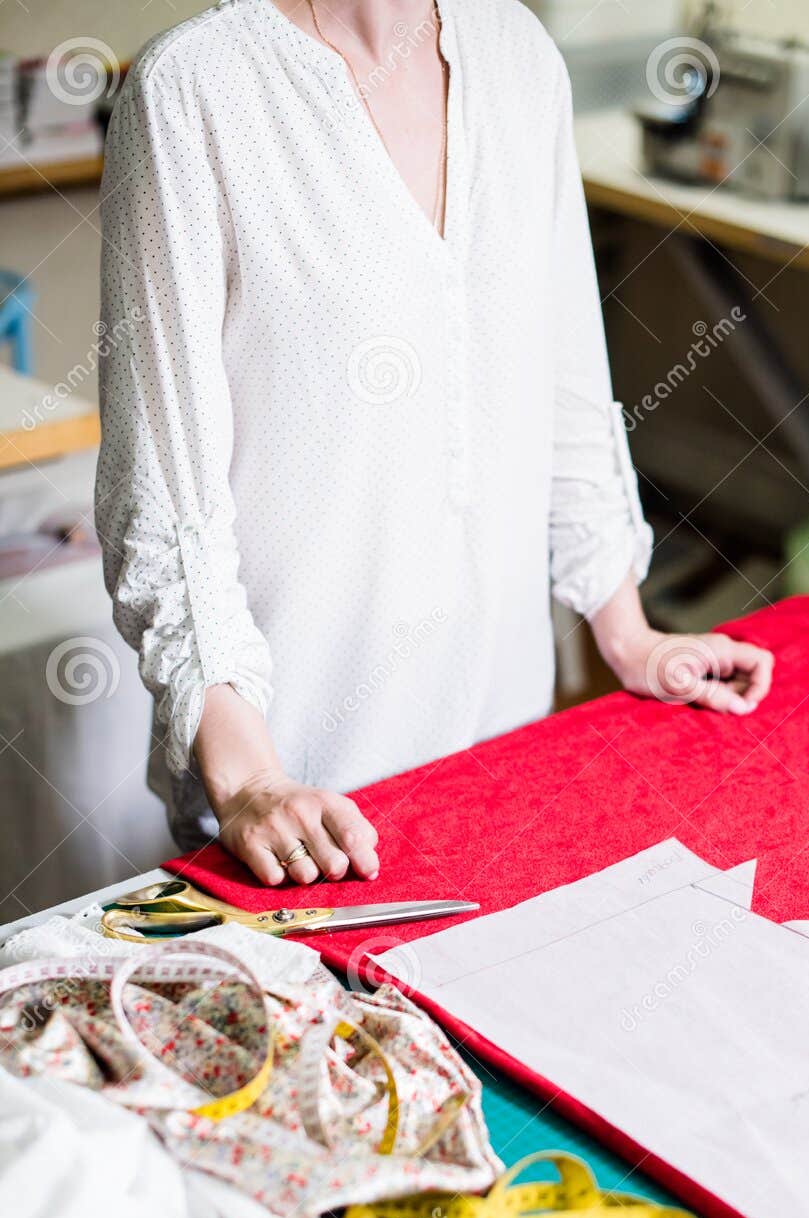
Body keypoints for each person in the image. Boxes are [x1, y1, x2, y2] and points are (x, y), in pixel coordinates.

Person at [97, 0, 774, 889]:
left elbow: (563, 371)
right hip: (298, 794)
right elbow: (164, 486)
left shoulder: (519, 56)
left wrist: (630, 633)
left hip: (503, 744)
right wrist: (252, 777)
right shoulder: (197, 87)